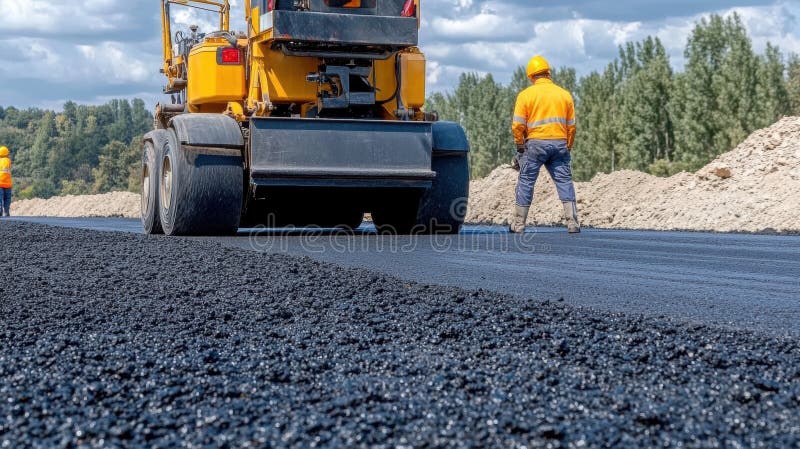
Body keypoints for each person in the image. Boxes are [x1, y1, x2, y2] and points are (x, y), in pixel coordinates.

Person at [510, 55, 580, 234]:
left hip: (535, 146)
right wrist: (568, 145)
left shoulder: (526, 95)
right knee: (564, 181)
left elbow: (518, 125)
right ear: (548, 73)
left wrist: (520, 146)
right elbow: (571, 126)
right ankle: (572, 223)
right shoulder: (564, 95)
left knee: (526, 181)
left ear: (531, 76)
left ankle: (518, 225)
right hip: (560, 145)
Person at [0, 146, 12, 217]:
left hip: (0, 184)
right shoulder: (8, 161)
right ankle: (6, 212)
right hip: (8, 184)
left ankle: (0, 211)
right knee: (7, 199)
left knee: (0, 199)